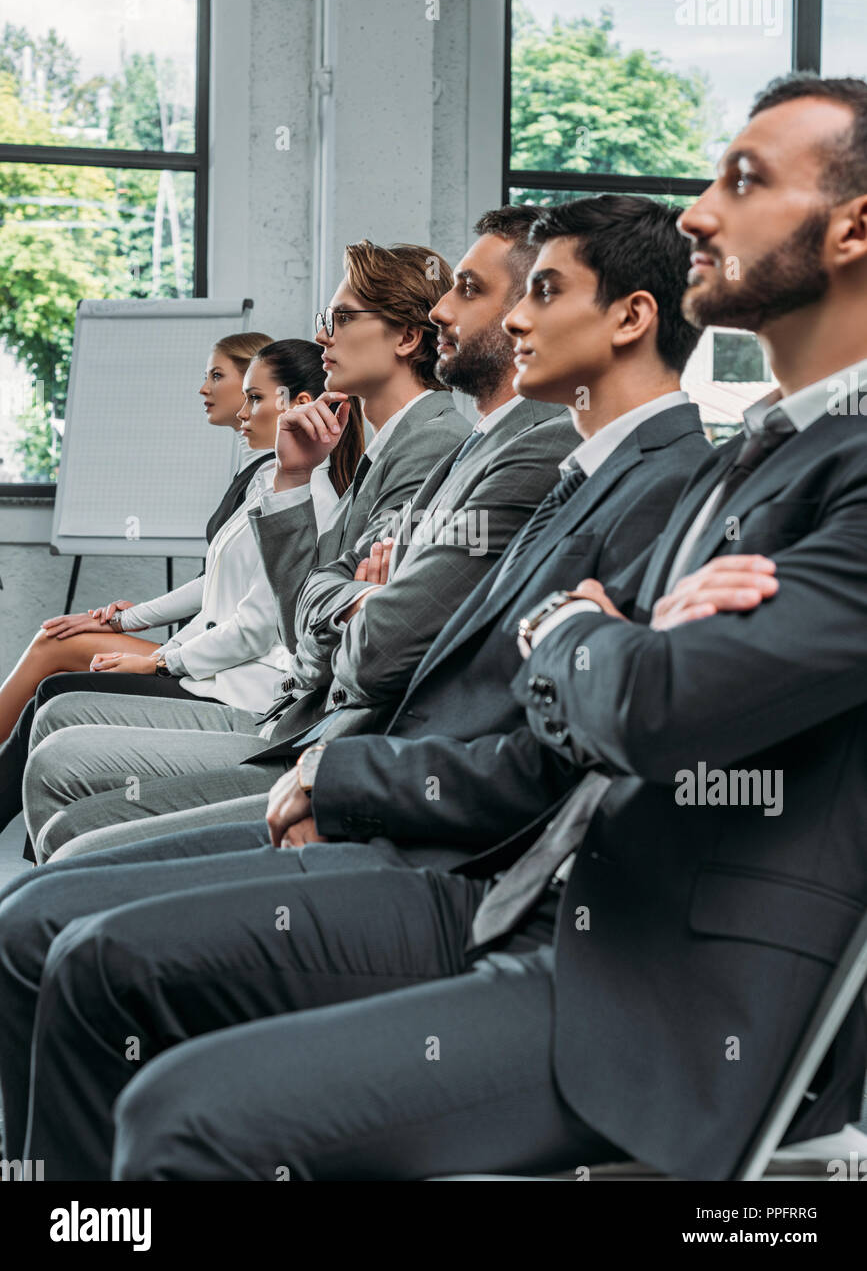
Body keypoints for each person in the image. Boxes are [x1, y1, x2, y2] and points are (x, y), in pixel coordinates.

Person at [3, 77, 867, 1182]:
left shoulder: (773, 466)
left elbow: (644, 707)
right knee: (68, 951)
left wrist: (577, 630)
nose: (700, 209)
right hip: (529, 882)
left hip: (649, 985)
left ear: (853, 227)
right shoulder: (757, 455)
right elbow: (594, 686)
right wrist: (607, 641)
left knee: (175, 1102)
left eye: (742, 179)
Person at [27, 206, 594, 856]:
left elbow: (358, 643)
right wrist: (341, 569)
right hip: (303, 715)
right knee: (60, 738)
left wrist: (348, 594)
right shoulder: (436, 447)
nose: (323, 337)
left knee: (69, 792)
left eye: (341, 319)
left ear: (401, 339)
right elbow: (316, 603)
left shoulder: (456, 444)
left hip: (323, 731)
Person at [0, 331, 274, 742]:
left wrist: (128, 621)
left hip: (220, 669)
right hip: (201, 652)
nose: (204, 388)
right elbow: (219, 583)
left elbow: (223, 596)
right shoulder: (255, 472)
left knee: (52, 645)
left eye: (217, 376)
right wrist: (127, 619)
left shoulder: (274, 483)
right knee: (54, 647)